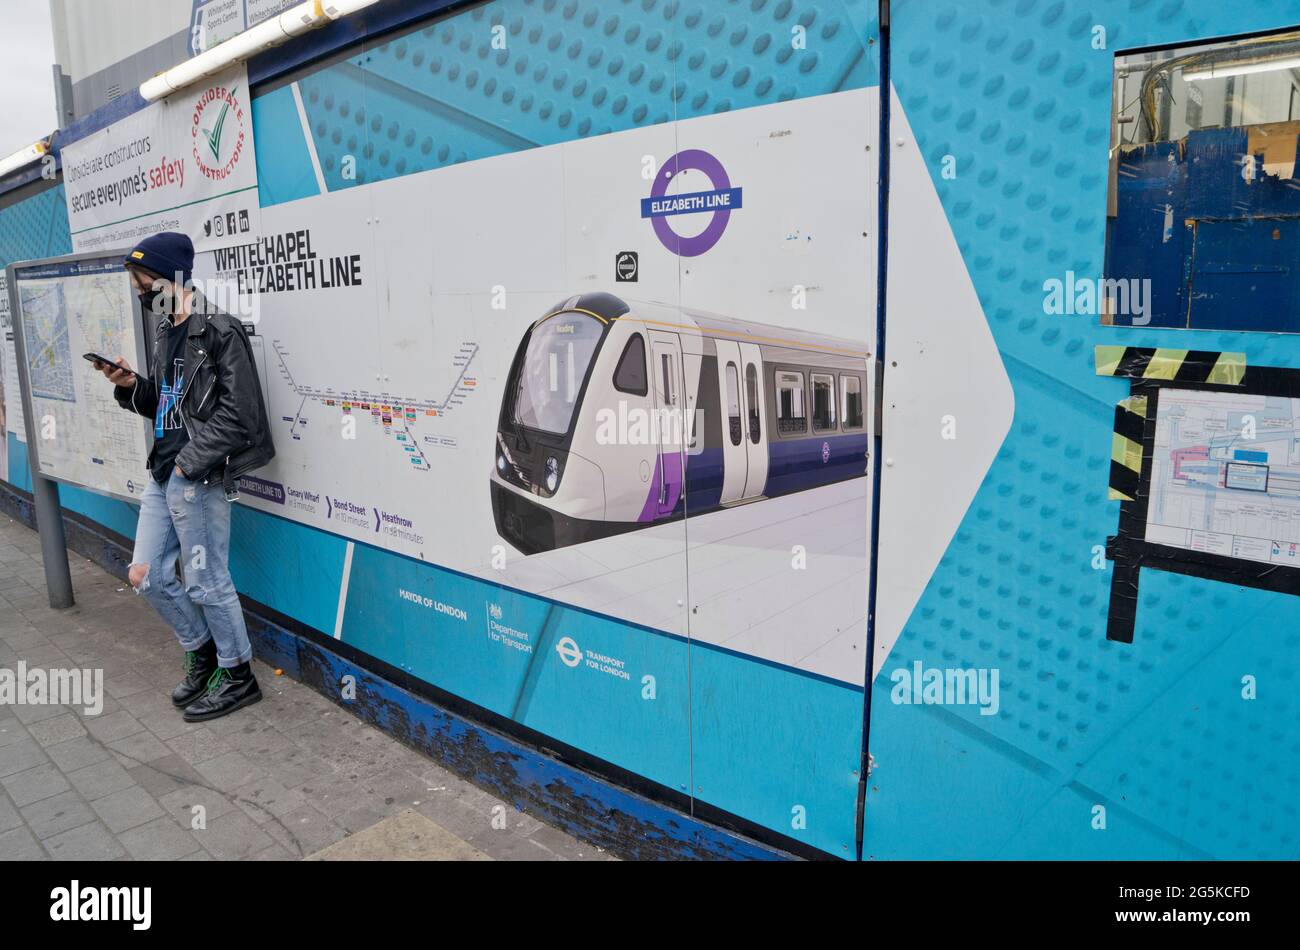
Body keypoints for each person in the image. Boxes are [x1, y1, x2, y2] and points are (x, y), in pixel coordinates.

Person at [96, 231, 274, 721]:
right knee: (146, 576)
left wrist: (186, 464)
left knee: (206, 581)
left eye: (143, 279)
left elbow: (243, 416)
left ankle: (239, 676)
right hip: (164, 473)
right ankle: (204, 653)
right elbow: (171, 409)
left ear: (174, 276)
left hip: (196, 475)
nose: (139, 290)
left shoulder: (219, 329)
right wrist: (132, 387)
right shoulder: (165, 332)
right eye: (135, 281)